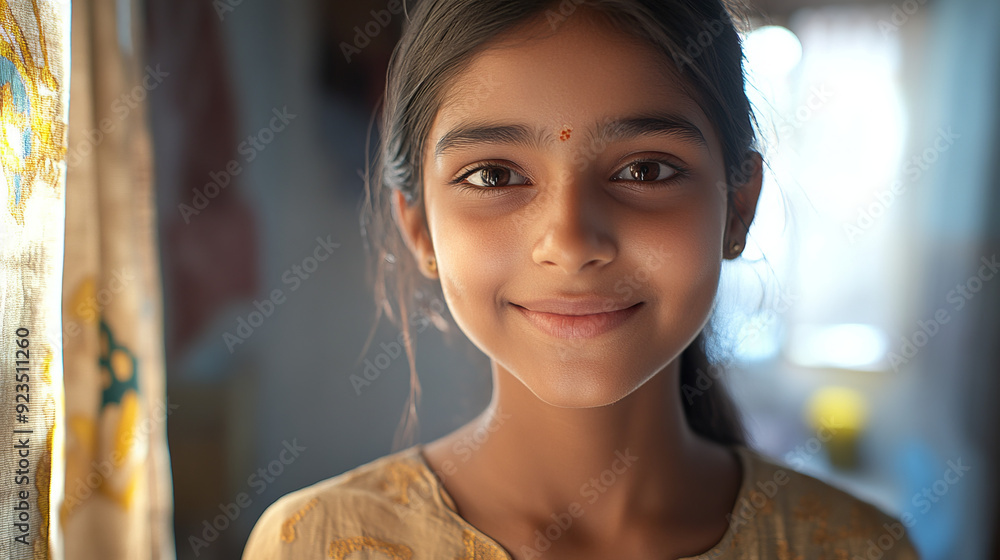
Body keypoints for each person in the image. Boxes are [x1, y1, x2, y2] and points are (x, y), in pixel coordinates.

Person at [243, 0, 920, 558]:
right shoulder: (315, 543)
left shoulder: (856, 546)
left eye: (646, 170)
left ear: (737, 207)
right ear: (419, 228)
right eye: (495, 176)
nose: (569, 243)